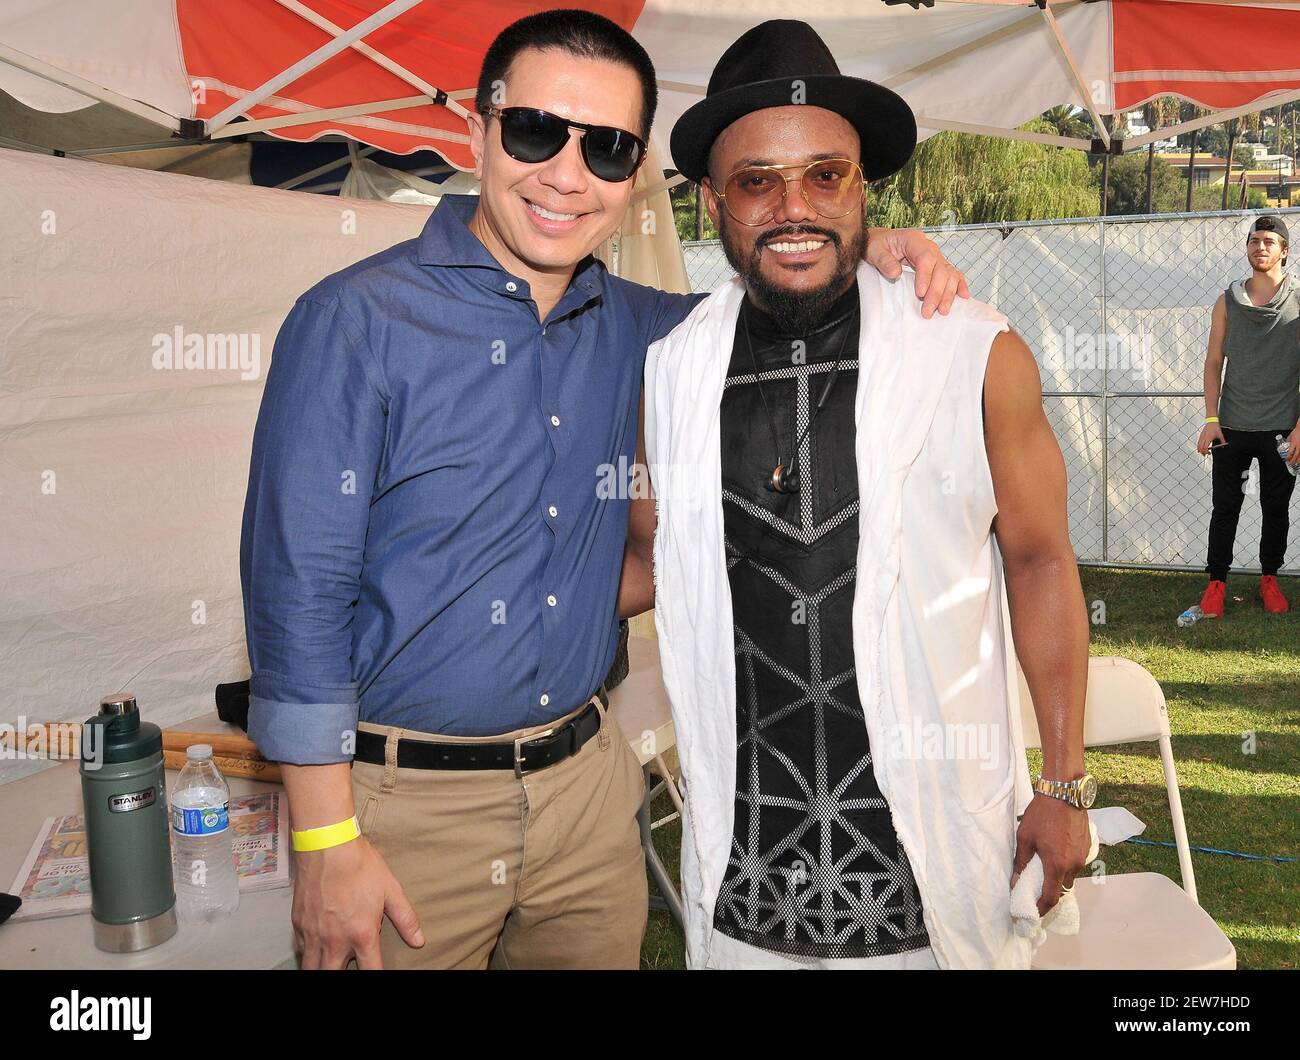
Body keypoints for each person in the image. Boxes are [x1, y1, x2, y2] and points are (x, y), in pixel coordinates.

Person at [239, 8, 968, 970]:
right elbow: (297, 590)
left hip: (589, 792)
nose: (567, 174)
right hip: (404, 808)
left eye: (610, 148)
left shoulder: (652, 329)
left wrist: (868, 243)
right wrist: (326, 839)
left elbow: (781, 281)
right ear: (478, 128)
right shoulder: (353, 321)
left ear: (636, 178)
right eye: (537, 130)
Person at [630, 19, 1094, 969]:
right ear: (714, 199)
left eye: (825, 175)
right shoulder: (669, 373)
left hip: (930, 880)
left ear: (864, 189)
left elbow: (1041, 559)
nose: (793, 206)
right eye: (758, 181)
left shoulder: (971, 353)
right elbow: (645, 559)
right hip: (745, 885)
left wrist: (1065, 784)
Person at [1195, 215, 1300, 617]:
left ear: (1284, 251)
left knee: (1276, 509)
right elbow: (1212, 362)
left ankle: (1269, 580)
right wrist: (1210, 419)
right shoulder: (1227, 301)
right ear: (1248, 248)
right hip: (1232, 426)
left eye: (1270, 241)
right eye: (1255, 240)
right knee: (1225, 509)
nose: (1261, 247)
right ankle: (1216, 585)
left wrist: (1299, 429)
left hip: (1280, 428)